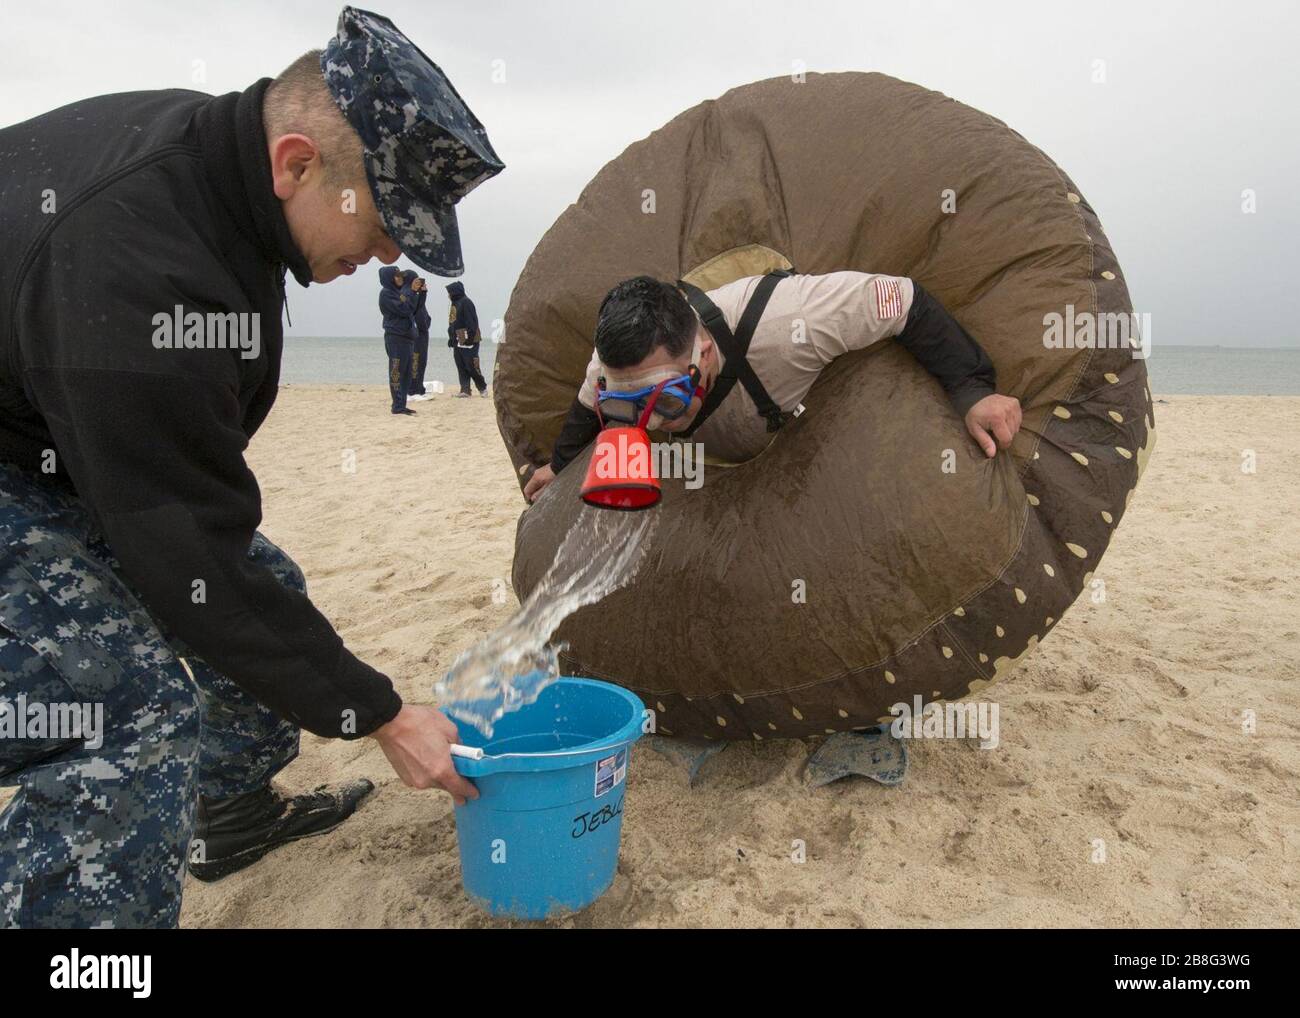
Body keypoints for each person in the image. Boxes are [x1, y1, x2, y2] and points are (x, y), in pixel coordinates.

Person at [0, 7, 502, 928]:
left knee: (264, 587)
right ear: (297, 162)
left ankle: (229, 817)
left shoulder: (221, 179)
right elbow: (187, 554)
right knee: (121, 716)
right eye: (388, 223)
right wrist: (383, 716)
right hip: (24, 462)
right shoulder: (136, 257)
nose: (394, 254)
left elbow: (197, 524)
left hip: (55, 436)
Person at [523, 272, 1022, 501]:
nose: (650, 424)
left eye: (667, 399)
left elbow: (904, 299)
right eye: (630, 407)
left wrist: (974, 390)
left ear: (703, 352)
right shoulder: (610, 366)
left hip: (803, 429)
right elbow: (588, 407)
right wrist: (559, 466)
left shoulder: (792, 320)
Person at [379, 266, 418, 414]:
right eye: (397, 276)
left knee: (407, 373)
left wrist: (415, 293)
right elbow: (404, 309)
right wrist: (412, 293)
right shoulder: (386, 294)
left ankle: (402, 403)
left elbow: (412, 308)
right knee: (397, 371)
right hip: (395, 337)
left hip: (407, 337)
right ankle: (397, 405)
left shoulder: (398, 293)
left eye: (401, 276)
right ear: (390, 278)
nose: (400, 278)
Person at [447, 280, 488, 397]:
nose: (448, 295)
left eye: (450, 292)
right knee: (460, 364)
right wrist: (451, 338)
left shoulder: (466, 302)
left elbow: (472, 322)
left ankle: (483, 388)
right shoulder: (454, 304)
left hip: (470, 338)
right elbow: (453, 323)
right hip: (457, 338)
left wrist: (469, 338)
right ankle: (465, 390)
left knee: (471, 365)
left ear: (456, 292)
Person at [407, 276, 434, 400]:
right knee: (415, 362)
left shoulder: (417, 297)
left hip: (422, 334)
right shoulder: (407, 296)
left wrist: (423, 293)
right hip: (416, 335)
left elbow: (424, 313)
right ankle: (413, 389)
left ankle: (418, 388)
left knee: (421, 362)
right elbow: (413, 312)